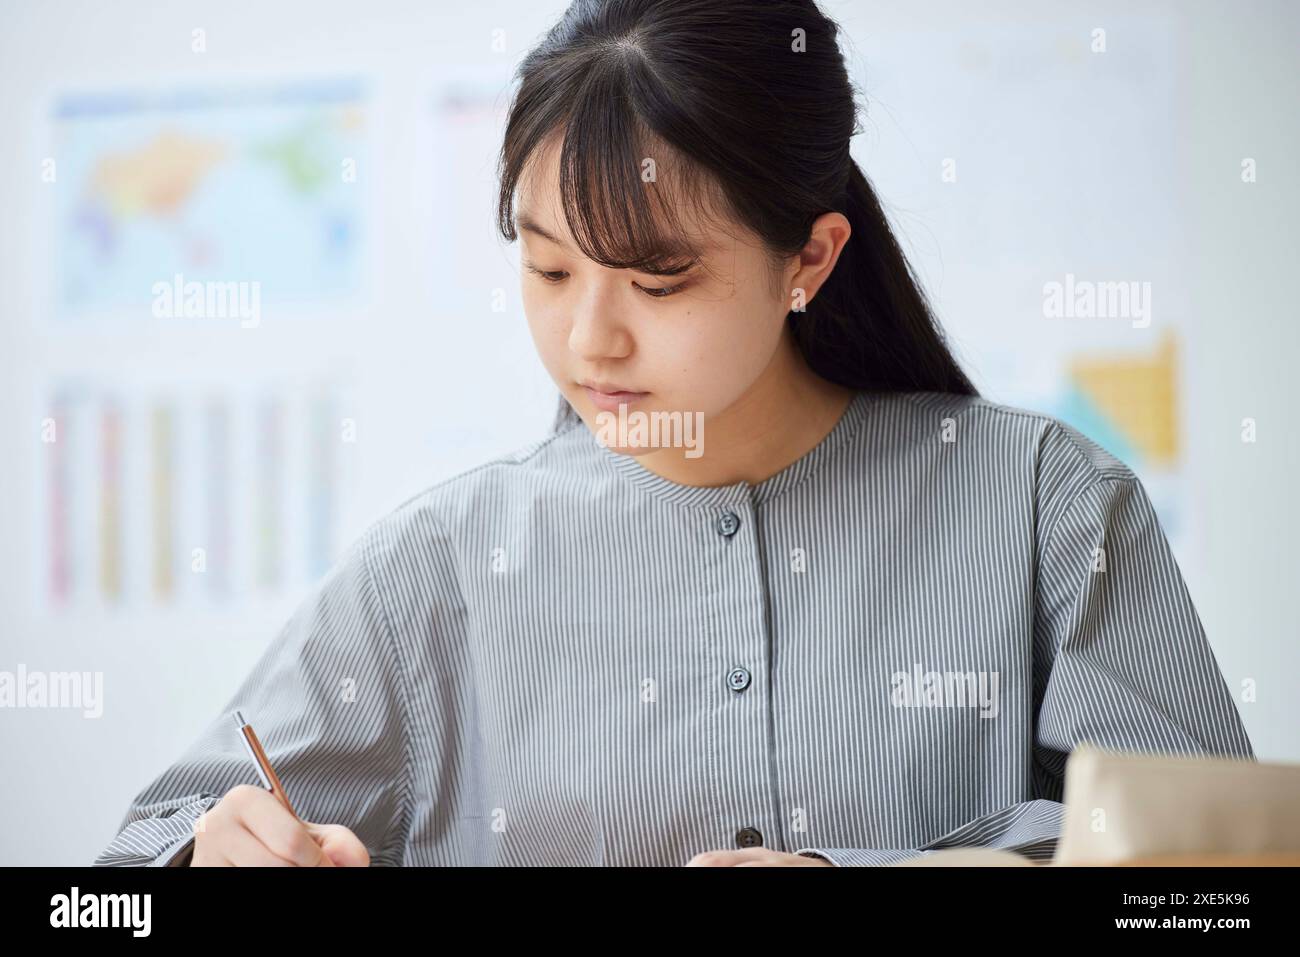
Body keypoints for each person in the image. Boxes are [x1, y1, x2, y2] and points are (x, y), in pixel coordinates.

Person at [94, 0, 1252, 867]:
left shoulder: (1044, 504)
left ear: (810, 258)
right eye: (547, 268)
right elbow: (113, 886)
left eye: (656, 282)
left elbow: (1210, 878)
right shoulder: (436, 564)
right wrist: (208, 857)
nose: (588, 340)